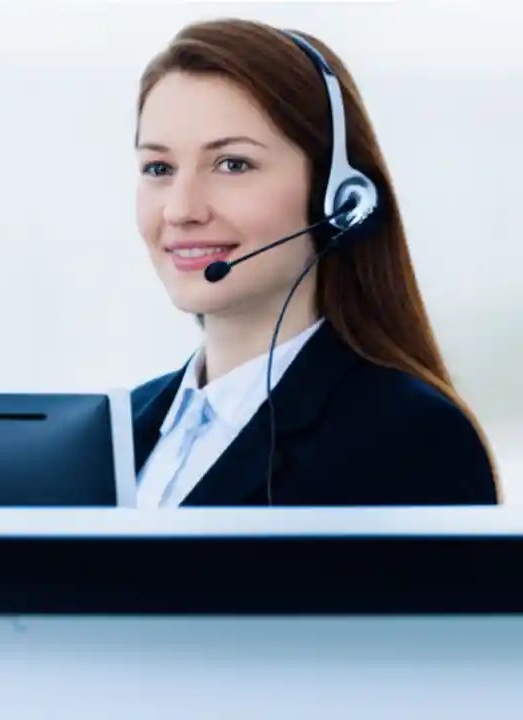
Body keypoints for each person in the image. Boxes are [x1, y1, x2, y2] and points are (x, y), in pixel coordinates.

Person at [130, 18, 500, 507]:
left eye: (233, 164)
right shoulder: (113, 431)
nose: (181, 209)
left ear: (337, 198)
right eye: (159, 168)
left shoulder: (407, 438)